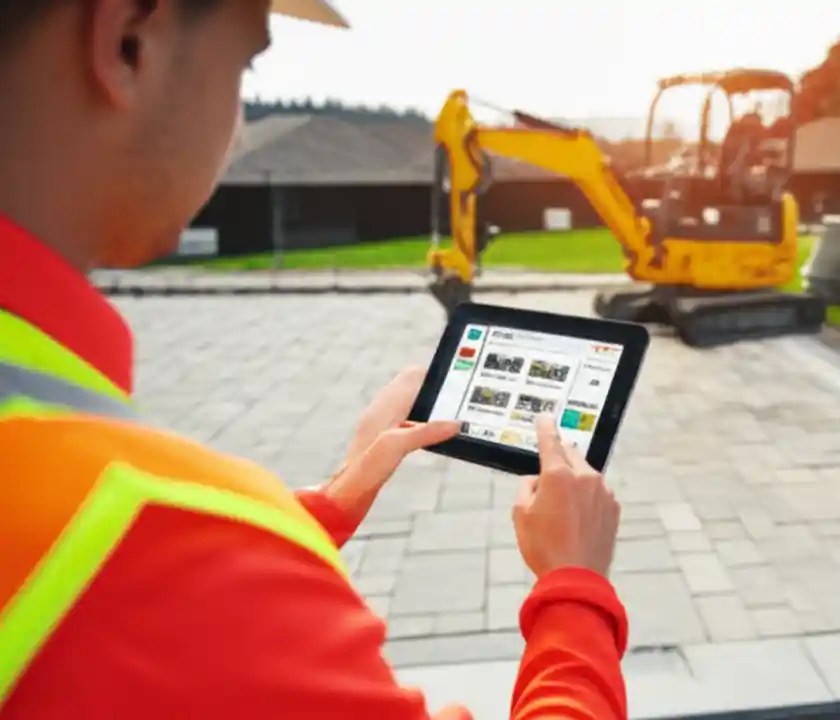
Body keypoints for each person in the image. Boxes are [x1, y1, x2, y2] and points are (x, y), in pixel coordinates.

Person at [0, 1, 627, 718]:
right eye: (245, 64)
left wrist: (322, 509)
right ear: (128, 39)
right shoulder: (146, 545)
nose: (238, 125)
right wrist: (574, 587)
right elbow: (179, 587)